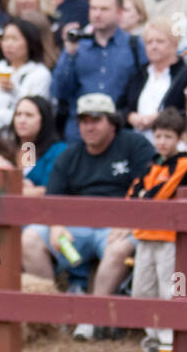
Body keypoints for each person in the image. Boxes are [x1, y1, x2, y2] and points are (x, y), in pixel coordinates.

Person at [21, 92, 156, 311]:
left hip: (119, 228)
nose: (89, 127)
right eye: (84, 121)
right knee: (30, 238)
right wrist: (55, 225)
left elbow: (151, 188)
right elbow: (52, 199)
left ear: (112, 122)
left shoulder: (134, 145)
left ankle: (92, 317)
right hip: (76, 231)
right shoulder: (70, 155)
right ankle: (50, 312)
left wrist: (131, 221)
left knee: (119, 249)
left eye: (96, 120)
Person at [127, 106, 187, 352]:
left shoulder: (182, 162)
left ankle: (169, 343)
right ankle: (152, 339)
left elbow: (163, 192)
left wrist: (146, 196)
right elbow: (134, 192)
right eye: (158, 136)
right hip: (144, 234)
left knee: (168, 288)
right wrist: (142, 196)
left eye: (168, 137)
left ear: (179, 138)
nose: (162, 142)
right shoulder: (151, 163)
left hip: (167, 236)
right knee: (142, 289)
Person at [52, 0, 146, 139]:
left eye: (104, 9)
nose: (97, 14)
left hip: (120, 131)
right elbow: (58, 90)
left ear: (119, 12)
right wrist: (69, 53)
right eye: (93, 8)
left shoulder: (135, 46)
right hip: (79, 133)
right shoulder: (77, 47)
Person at [123, 16, 187, 135]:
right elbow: (121, 107)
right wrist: (131, 116)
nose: (154, 46)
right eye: (149, 42)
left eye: (160, 41)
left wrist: (161, 118)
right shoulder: (139, 75)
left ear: (175, 45)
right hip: (138, 145)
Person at [0, 16, 52, 133]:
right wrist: (11, 116)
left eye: (14, 39)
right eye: (5, 39)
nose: (8, 44)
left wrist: (15, 91)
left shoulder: (40, 74)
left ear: (29, 42)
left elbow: (35, 113)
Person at [9, 94, 66, 194]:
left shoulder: (58, 151)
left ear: (43, 120)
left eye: (29, 115)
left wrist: (12, 191)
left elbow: (50, 191)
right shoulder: (6, 148)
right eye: (18, 114)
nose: (22, 120)